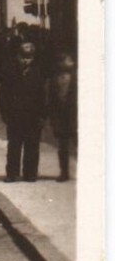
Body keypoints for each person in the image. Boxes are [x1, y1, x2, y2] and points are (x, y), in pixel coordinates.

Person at [0, 40, 48, 182]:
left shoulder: (37, 74)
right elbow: (3, 95)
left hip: (33, 116)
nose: (26, 61)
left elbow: (42, 97)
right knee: (14, 146)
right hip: (15, 116)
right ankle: (12, 173)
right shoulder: (10, 72)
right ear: (17, 56)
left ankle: (30, 173)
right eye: (23, 57)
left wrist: (42, 115)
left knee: (32, 146)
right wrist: (5, 113)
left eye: (29, 57)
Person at [45, 49, 77, 182]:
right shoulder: (54, 79)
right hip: (61, 117)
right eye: (64, 61)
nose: (67, 63)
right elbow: (51, 100)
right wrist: (52, 118)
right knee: (62, 147)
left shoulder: (78, 77)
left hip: (76, 117)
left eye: (69, 61)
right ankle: (64, 172)